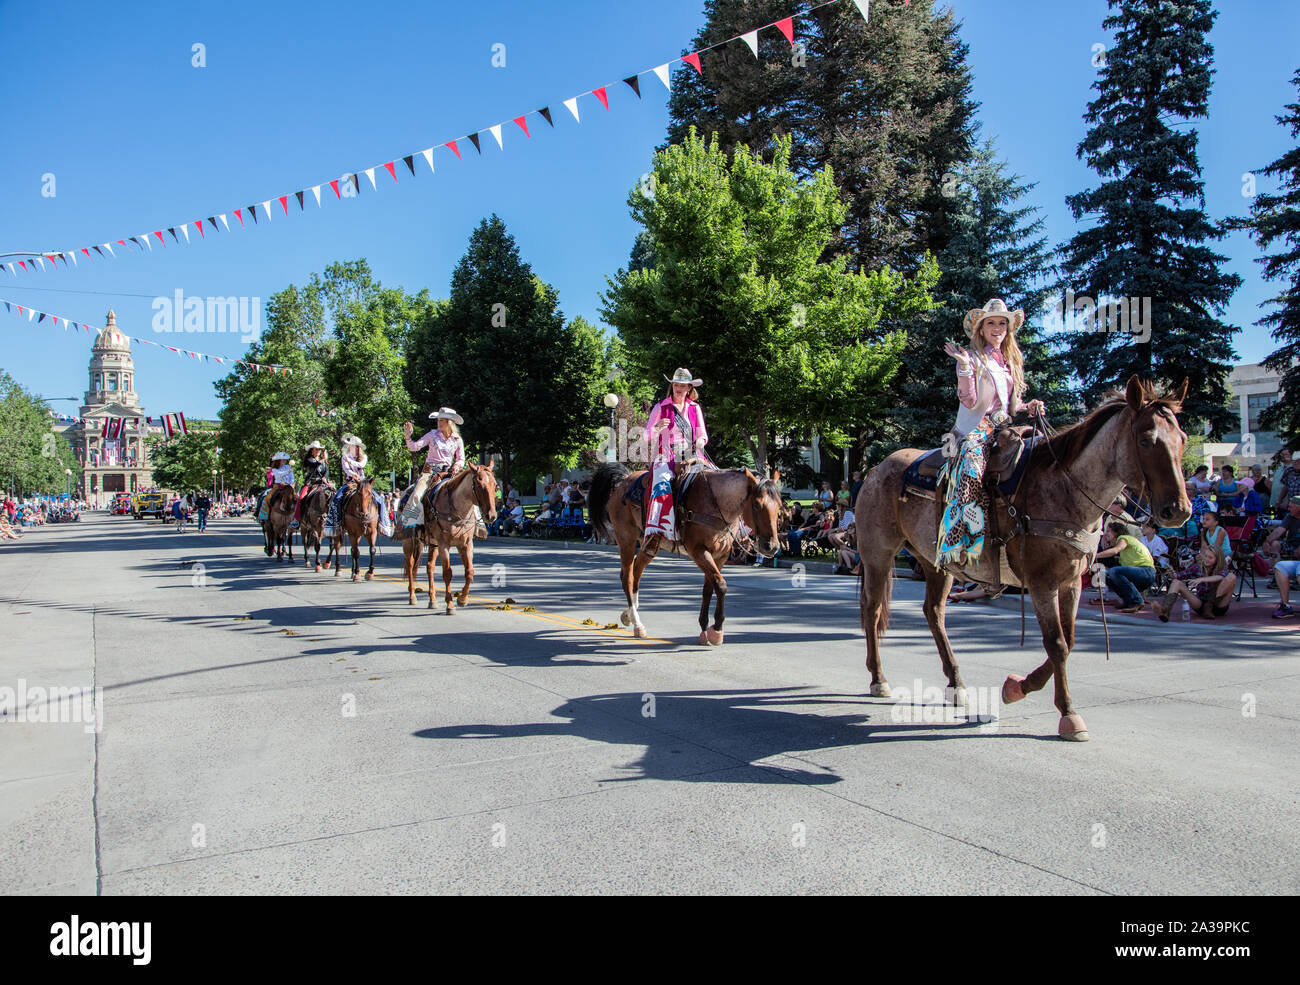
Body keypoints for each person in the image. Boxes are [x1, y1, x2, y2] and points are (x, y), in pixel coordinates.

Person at [938, 298, 1046, 570]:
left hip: (1006, 426)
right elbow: (970, 400)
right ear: (981, 329)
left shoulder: (1010, 362)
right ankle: (960, 540)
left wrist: (1028, 406)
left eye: (1002, 323)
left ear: (1008, 329)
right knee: (971, 471)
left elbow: (1010, 404)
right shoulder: (972, 358)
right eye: (991, 323)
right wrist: (963, 367)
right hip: (978, 427)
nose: (997, 328)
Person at [644, 368, 710, 541]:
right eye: (676, 384)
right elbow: (646, 436)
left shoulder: (695, 408)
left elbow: (702, 434)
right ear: (672, 386)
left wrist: (700, 443)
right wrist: (657, 428)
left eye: (682, 385)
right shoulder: (661, 407)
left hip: (691, 454)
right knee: (662, 484)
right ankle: (657, 531)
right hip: (667, 455)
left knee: (713, 478)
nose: (678, 388)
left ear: (689, 388)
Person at [327, 435, 393, 538]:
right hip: (350, 483)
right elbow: (346, 469)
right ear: (350, 447)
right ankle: (337, 523)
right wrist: (353, 473)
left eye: (357, 446)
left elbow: (361, 465)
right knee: (337, 498)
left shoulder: (363, 457)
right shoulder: (345, 457)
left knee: (379, 499)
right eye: (353, 446)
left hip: (363, 482)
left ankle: (382, 523)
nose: (356, 448)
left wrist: (351, 462)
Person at [1151, 544, 1236, 622]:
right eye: (1205, 556)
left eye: (1210, 558)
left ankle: (1209, 605)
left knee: (1231, 576)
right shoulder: (1197, 567)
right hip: (1200, 604)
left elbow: (1221, 577)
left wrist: (1201, 579)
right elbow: (1179, 576)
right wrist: (1173, 573)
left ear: (1217, 559)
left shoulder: (1222, 567)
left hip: (1219, 604)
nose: (1206, 559)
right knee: (1176, 582)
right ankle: (1165, 610)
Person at [1092, 521, 1157, 613]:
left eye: (1108, 531)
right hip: (1142, 574)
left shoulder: (1124, 538)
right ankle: (1128, 601)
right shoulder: (1125, 550)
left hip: (1146, 571)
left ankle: (1136, 602)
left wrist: (1094, 556)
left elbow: (1115, 550)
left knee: (1114, 571)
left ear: (1116, 533)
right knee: (1104, 575)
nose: (1105, 534)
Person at [1262, 495, 1300, 618]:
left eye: (1291, 506)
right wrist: (1267, 541)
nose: (1289, 508)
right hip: (1291, 545)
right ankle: (1286, 605)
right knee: (1280, 563)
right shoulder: (1290, 517)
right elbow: (1279, 531)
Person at [291, 441, 330, 529]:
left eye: (320, 449)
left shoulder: (323, 461)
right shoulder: (309, 460)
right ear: (312, 450)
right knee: (300, 498)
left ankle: (333, 520)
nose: (318, 451)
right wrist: (324, 459)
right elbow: (315, 465)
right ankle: (296, 520)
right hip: (311, 483)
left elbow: (327, 471)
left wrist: (325, 477)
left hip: (322, 483)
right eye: (317, 449)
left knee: (333, 496)